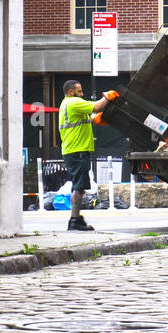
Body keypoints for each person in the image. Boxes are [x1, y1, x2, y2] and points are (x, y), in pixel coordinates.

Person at [58, 80, 118, 231]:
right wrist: (108, 96)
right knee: (78, 187)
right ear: (71, 92)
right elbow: (97, 106)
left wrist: (94, 119)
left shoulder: (66, 104)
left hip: (73, 150)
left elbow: (84, 118)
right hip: (77, 150)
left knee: (79, 186)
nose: (82, 94)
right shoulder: (73, 102)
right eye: (79, 91)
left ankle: (76, 218)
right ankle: (74, 220)